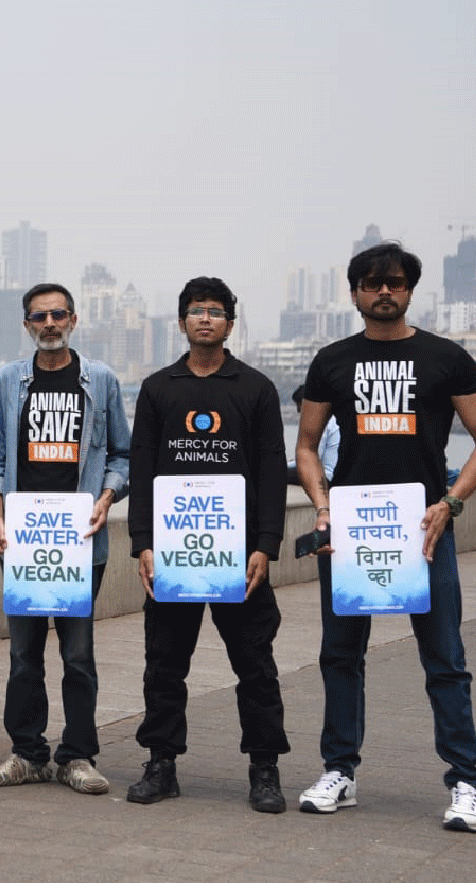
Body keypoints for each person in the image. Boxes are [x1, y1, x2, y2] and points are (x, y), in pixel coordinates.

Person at [295, 242, 476, 833]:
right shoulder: (332, 361)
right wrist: (322, 504)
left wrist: (451, 503)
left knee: (445, 660)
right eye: (371, 282)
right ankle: (340, 772)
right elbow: (306, 447)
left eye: (394, 282)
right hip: (350, 529)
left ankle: (466, 783)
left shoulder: (446, 357)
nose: (384, 290)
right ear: (355, 292)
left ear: (409, 290)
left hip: (424, 528)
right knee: (341, 656)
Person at [125, 277, 290, 812]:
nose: (205, 319)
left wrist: (266, 544)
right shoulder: (158, 388)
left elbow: (270, 473)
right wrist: (142, 543)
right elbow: (143, 470)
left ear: (229, 324)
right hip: (173, 553)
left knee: (256, 666)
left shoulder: (256, 388)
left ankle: (264, 768)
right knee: (164, 666)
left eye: (215, 312)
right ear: (181, 322)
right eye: (195, 311)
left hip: (239, 556)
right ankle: (161, 764)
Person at [0, 283, 129, 795]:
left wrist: (107, 499)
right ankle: (27, 753)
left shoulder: (102, 380)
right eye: (39, 316)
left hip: (81, 542)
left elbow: (121, 455)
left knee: (78, 655)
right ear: (26, 324)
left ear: (73, 320)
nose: (49, 323)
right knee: (23, 655)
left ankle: (77, 756)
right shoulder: (7, 380)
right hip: (21, 540)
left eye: (58, 314)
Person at [290, 385, 339, 480]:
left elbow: (311, 456)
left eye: (298, 405)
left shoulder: (321, 423)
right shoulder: (334, 419)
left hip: (327, 476)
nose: (298, 411)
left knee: (277, 472)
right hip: (332, 474)